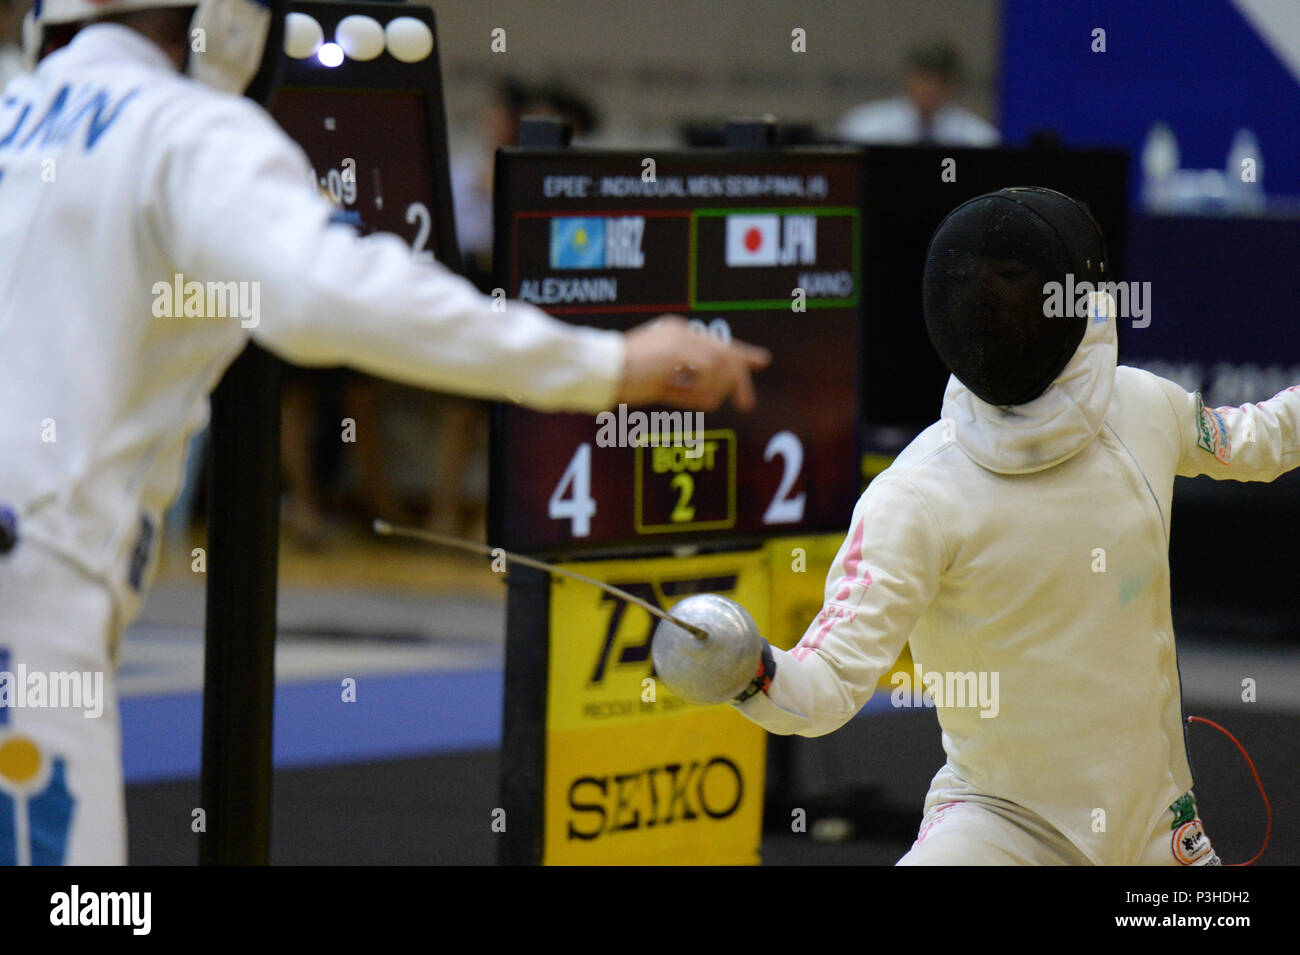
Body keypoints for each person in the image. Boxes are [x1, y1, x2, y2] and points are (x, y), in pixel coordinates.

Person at [0, 0, 768, 865]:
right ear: (231, 23)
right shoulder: (184, 130)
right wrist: (609, 365)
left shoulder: (13, 116)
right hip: (28, 590)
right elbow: (333, 291)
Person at [684, 186, 1300, 864]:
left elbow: (1262, 440)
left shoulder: (1143, 407)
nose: (988, 301)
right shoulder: (917, 495)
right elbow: (827, 680)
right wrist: (750, 669)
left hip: (1159, 827)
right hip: (1000, 826)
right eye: (972, 285)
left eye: (1011, 279)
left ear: (1074, 297)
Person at [837, 41, 998, 147]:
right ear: (908, 78)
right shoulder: (865, 127)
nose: (929, 89)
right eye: (923, 79)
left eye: (938, 82)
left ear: (952, 85)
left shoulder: (978, 137)